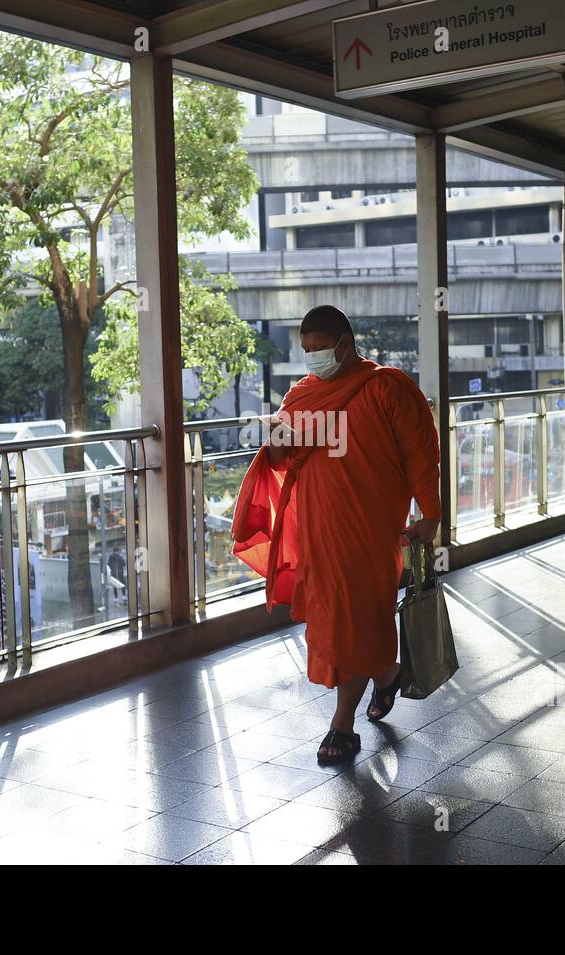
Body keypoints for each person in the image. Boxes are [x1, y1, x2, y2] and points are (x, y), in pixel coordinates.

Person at [232, 305, 440, 764]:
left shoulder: (387, 387)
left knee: (357, 617)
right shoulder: (301, 396)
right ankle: (387, 676)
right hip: (319, 532)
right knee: (337, 620)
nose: (313, 358)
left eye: (320, 349)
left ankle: (341, 726)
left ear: (345, 344)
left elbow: (421, 453)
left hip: (370, 530)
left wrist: (431, 514)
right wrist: (276, 442)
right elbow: (285, 460)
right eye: (306, 350)